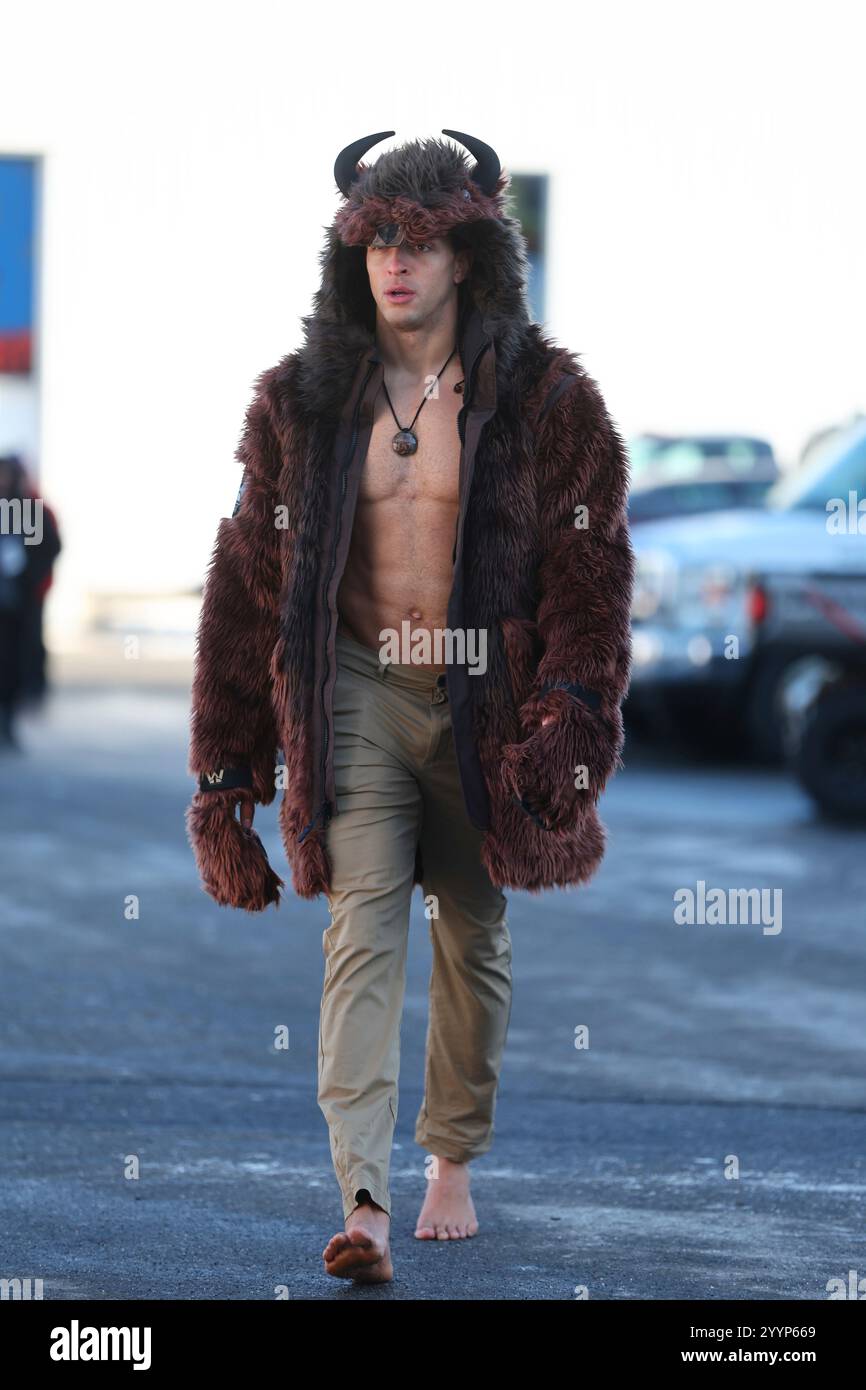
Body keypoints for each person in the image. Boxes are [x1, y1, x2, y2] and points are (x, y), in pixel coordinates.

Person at [186, 130, 635, 1283]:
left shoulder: (547, 398)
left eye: (420, 241)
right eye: (379, 237)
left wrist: (570, 712)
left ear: (469, 253)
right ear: (354, 252)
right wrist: (226, 775)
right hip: (360, 692)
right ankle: (365, 1199)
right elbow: (247, 584)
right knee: (360, 931)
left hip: (482, 690)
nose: (397, 261)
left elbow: (589, 577)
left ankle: (450, 1157)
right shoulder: (299, 403)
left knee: (472, 935)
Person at [0, 453, 61, 747]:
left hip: (17, 607)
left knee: (12, 665)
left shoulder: (28, 510)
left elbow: (48, 547)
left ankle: (8, 722)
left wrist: (27, 576)